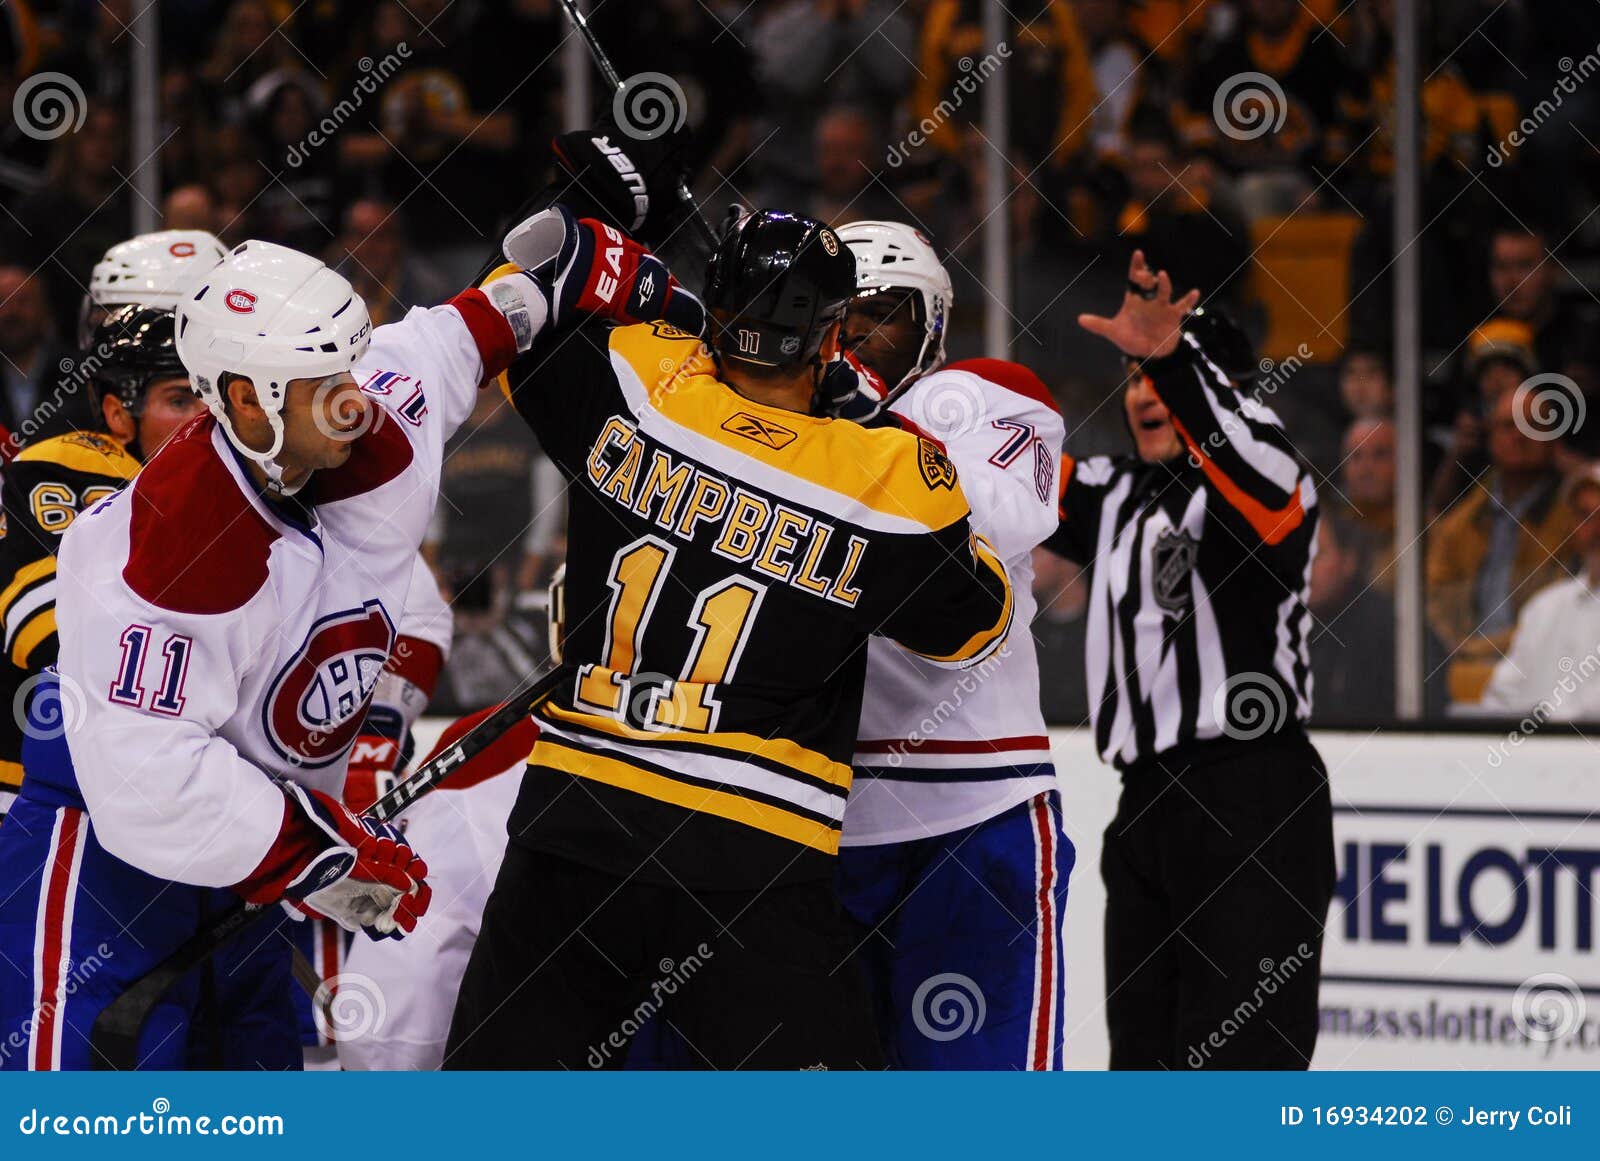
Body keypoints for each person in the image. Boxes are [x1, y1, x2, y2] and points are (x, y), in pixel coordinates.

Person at [445, 208, 1015, 1070]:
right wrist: (866, 422)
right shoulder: (889, 476)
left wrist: (644, 290)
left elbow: (503, 304)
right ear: (832, 339)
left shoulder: (640, 378)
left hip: (574, 827)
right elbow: (979, 625)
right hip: (754, 860)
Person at [0, 228, 573, 1069]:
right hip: (105, 870)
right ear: (242, 395)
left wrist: (556, 276)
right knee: (86, 1121)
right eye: (325, 383)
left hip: (245, 868)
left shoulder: (334, 427)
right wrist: (318, 850)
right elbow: (141, 770)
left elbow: (436, 350)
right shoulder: (172, 540)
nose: (352, 399)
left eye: (347, 370)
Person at [1041, 251, 1332, 1069]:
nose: (1141, 393)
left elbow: (1251, 478)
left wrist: (1176, 363)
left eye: (1160, 371)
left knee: (1240, 1077)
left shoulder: (1269, 471)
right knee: (1143, 1068)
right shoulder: (1119, 492)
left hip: (1252, 800)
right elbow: (998, 473)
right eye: (1133, 373)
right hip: (1145, 808)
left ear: (1224, 391)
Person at [822, 220, 1075, 1069]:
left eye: (879, 314)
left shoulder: (981, 395)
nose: (854, 335)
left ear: (928, 323)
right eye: (837, 315)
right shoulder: (776, 435)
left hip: (976, 813)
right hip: (817, 821)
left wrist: (865, 423)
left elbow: (1005, 514)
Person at [0, 305, 205, 826]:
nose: (203, 419)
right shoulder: (78, 464)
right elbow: (48, 635)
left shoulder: (231, 499)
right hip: (37, 794)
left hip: (156, 788)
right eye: (179, 399)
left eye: (211, 397)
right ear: (117, 414)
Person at [1426, 387, 1576, 706]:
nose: (1519, 436)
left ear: (1554, 436)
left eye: (1533, 424)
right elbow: (1436, 596)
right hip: (1458, 670)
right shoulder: (1462, 521)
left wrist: (1476, 651)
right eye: (1508, 426)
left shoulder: (1577, 520)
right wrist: (1457, 648)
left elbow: (1563, 606)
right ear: (1490, 436)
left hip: (1544, 673)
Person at [1480, 469, 1600, 720]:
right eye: (1585, 515)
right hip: (1537, 754)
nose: (1596, 528)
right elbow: (1500, 698)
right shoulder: (1544, 608)